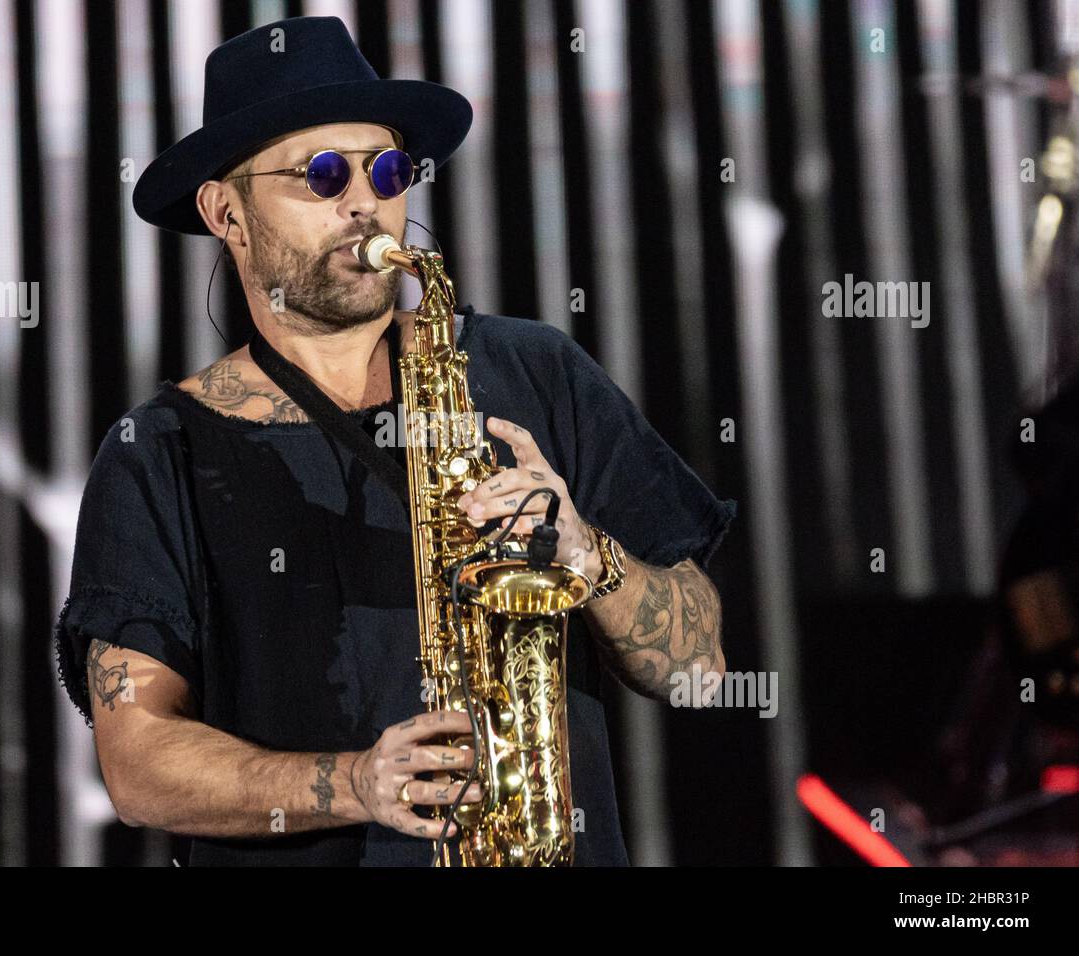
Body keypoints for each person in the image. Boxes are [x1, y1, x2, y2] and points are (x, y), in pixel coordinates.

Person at [53, 15, 736, 866]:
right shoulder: (156, 451)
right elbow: (138, 766)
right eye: (323, 174)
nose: (365, 202)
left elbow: (701, 667)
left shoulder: (538, 369)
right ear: (226, 212)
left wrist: (591, 558)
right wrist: (355, 783)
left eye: (386, 169)